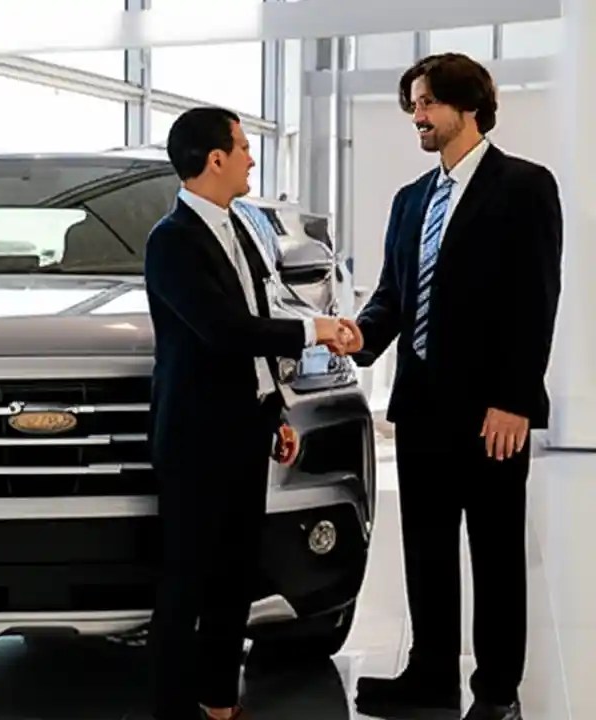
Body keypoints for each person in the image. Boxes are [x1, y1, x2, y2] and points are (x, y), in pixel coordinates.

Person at [345, 53, 563, 720]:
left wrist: (515, 400)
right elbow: (393, 296)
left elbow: (535, 299)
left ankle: (497, 692)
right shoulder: (412, 200)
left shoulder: (525, 186)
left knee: (495, 557)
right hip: (421, 409)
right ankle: (430, 675)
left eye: (427, 103)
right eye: (412, 103)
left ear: (467, 107)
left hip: (491, 412)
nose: (417, 115)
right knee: (427, 553)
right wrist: (357, 336)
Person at [143, 106, 360, 720]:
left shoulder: (238, 229)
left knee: (235, 579)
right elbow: (224, 331)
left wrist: (275, 414)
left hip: (243, 430)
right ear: (215, 159)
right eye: (242, 147)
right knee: (186, 583)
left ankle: (218, 702)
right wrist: (317, 330)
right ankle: (169, 709)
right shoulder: (172, 241)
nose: (250, 159)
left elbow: (251, 328)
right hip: (194, 441)